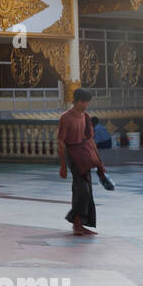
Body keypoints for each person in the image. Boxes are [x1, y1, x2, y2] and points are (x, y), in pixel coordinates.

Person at [57, 87, 107, 237]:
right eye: (85, 102)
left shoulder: (85, 117)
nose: (87, 104)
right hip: (73, 155)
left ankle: (79, 224)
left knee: (86, 190)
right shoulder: (65, 117)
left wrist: (99, 162)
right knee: (81, 190)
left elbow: (90, 140)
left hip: (85, 155)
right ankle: (76, 223)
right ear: (78, 101)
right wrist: (63, 165)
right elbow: (60, 142)